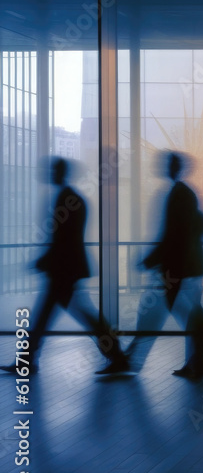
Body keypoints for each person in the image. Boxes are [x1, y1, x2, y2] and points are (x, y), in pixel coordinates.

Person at [1, 157, 130, 375]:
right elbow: (66, 238)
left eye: (52, 170)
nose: (49, 173)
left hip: (63, 270)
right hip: (67, 269)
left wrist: (43, 261)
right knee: (66, 316)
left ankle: (27, 360)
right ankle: (116, 356)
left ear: (59, 173)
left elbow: (63, 239)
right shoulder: (71, 198)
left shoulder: (66, 199)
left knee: (50, 317)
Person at [126, 151, 203, 379]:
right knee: (186, 316)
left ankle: (131, 361)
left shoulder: (179, 194)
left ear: (174, 167)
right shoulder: (180, 193)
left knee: (184, 316)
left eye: (166, 163)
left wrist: (152, 260)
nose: (161, 166)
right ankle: (199, 359)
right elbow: (177, 233)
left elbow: (174, 235)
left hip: (178, 270)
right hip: (181, 270)